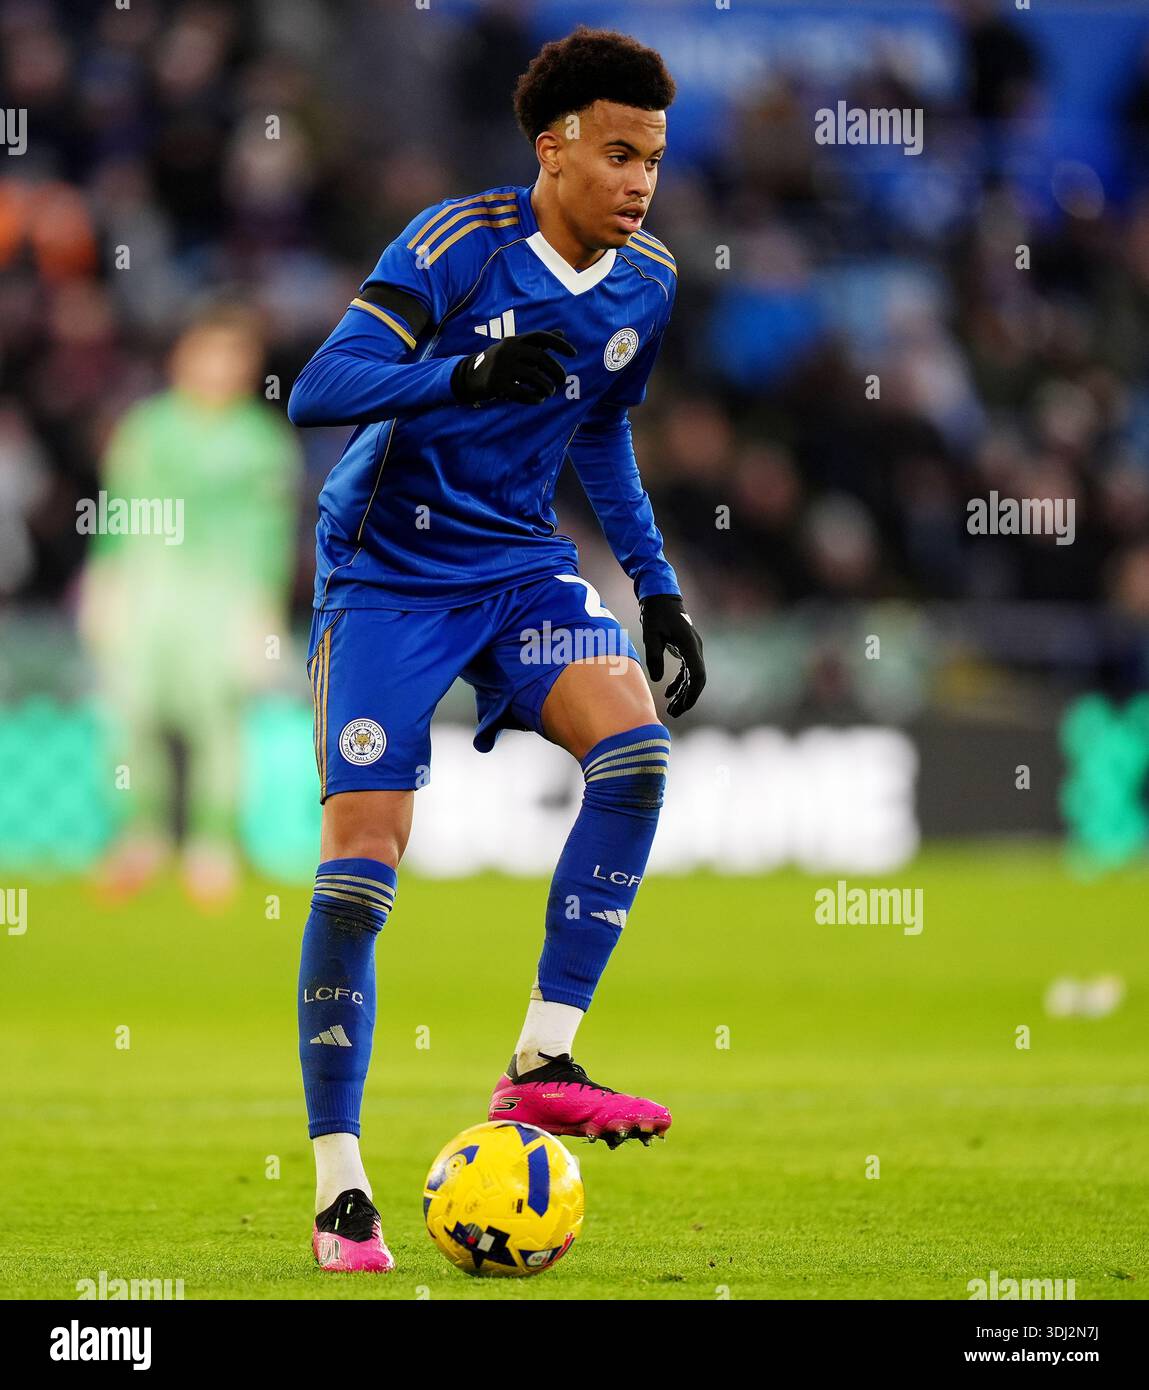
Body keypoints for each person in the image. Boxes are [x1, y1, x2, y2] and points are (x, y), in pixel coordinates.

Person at [288, 25, 706, 1273]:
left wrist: (659, 587)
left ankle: (541, 1056)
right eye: (619, 155)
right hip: (389, 575)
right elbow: (322, 384)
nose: (639, 182)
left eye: (655, 159)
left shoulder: (648, 282)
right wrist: (460, 374)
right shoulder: (455, 244)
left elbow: (600, 431)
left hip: (520, 565)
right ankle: (339, 1186)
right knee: (363, 863)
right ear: (554, 147)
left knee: (635, 753)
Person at [81, 303, 301, 907]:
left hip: (224, 593)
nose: (218, 368)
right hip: (148, 582)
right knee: (131, 715)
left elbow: (270, 534)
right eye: (208, 354)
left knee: (219, 720)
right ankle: (140, 836)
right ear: (182, 358)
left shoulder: (261, 443)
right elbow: (116, 511)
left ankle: (212, 845)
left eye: (233, 358)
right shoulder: (146, 428)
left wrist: (260, 612)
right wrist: (104, 583)